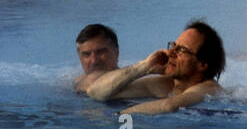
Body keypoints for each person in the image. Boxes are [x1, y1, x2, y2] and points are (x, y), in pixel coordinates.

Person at [85, 20, 226, 114]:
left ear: (202, 64)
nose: (171, 53)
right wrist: (144, 67)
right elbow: (95, 92)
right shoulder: (164, 84)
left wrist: (119, 116)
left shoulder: (208, 89)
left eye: (182, 50)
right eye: (174, 46)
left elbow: (169, 106)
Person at [74, 23, 119, 91]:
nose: (94, 61)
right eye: (87, 54)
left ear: (116, 53)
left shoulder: (137, 84)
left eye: (101, 52)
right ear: (79, 57)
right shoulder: (74, 82)